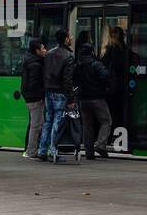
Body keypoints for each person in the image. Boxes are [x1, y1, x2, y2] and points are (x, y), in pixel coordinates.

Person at [35, 28, 75, 163]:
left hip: (49, 92)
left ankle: (42, 150)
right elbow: (67, 80)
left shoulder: (49, 54)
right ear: (65, 39)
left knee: (48, 121)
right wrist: (71, 98)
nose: (72, 38)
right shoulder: (68, 56)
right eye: (70, 36)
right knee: (57, 122)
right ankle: (54, 151)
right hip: (60, 93)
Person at [75, 37, 112, 160]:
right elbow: (106, 77)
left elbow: (73, 80)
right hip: (97, 98)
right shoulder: (96, 65)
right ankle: (101, 144)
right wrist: (105, 87)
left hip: (82, 99)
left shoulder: (78, 65)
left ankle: (89, 153)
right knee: (106, 121)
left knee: (87, 125)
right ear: (92, 52)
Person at [19, 38, 46, 158]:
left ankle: (33, 149)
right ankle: (31, 151)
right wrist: (42, 94)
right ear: (37, 50)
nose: (45, 50)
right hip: (35, 98)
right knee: (36, 125)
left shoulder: (30, 61)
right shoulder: (36, 64)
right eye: (43, 48)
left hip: (30, 97)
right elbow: (34, 84)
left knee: (36, 124)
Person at [101, 24, 128, 139]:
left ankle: (112, 137)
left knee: (112, 113)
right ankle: (117, 137)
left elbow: (109, 65)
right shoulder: (124, 49)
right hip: (120, 85)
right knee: (118, 113)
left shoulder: (112, 49)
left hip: (113, 86)